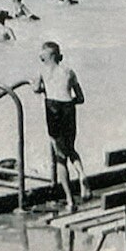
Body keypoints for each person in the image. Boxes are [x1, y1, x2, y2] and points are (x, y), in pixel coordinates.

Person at [32, 42, 91, 212]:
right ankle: (81, 173)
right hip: (68, 107)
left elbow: (35, 89)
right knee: (70, 148)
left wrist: (39, 87)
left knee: (60, 157)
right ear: (59, 56)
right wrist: (70, 103)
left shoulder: (42, 71)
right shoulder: (69, 71)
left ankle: (70, 200)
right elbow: (80, 98)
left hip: (52, 108)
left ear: (44, 57)